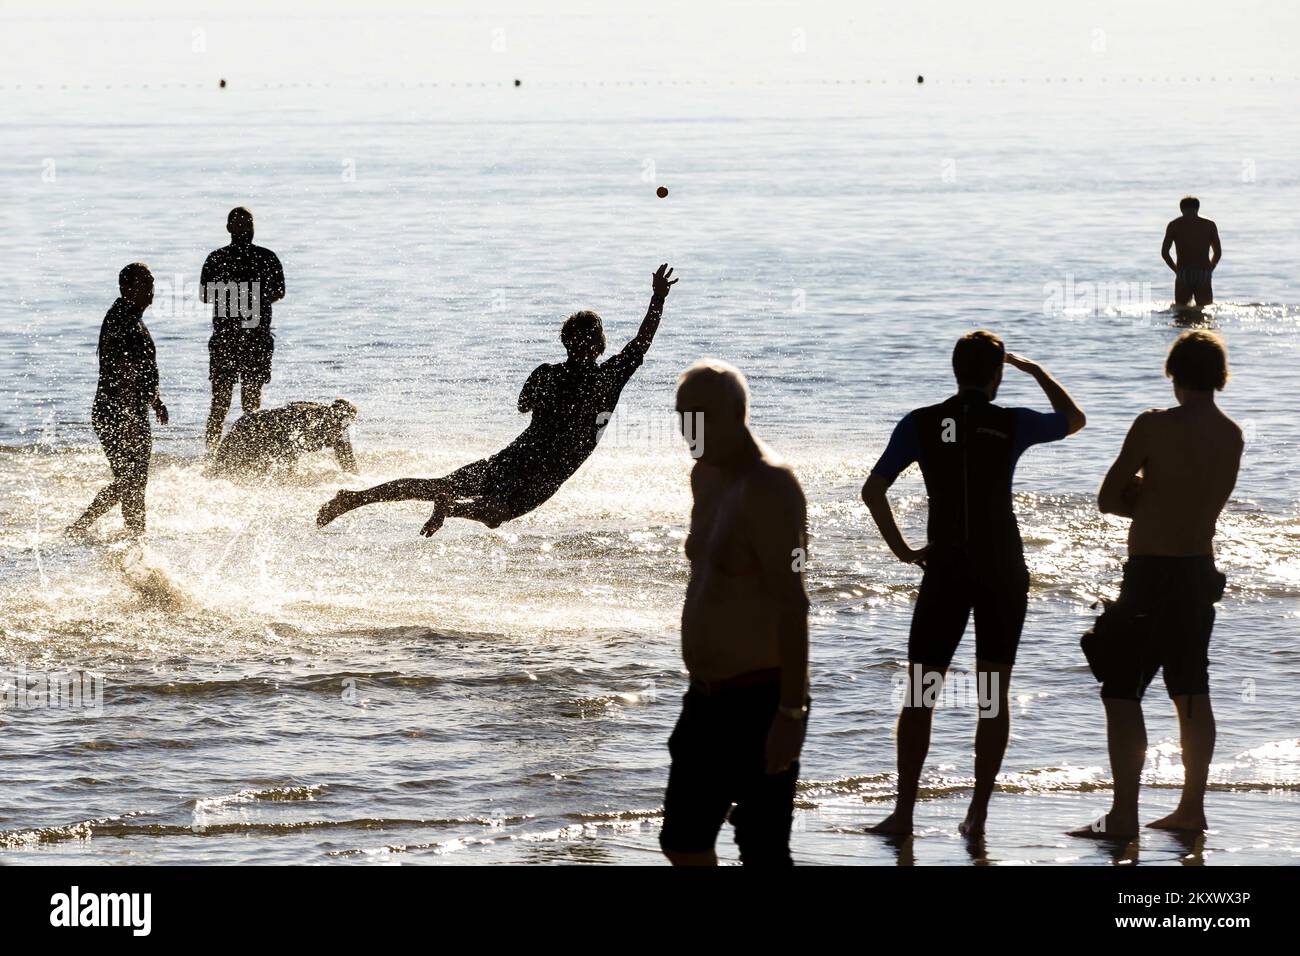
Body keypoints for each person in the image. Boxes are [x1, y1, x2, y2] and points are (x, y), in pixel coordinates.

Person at [861, 331, 1085, 837]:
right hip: (1002, 568)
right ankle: (977, 815)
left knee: (920, 692)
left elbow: (873, 490)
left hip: (945, 569)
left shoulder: (920, 423)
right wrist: (1038, 372)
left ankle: (903, 815)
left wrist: (901, 550)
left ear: (955, 370)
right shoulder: (1010, 423)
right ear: (996, 374)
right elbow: (1075, 420)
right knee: (992, 695)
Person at [316, 264, 677, 535]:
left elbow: (522, 405)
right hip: (548, 474)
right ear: (599, 345)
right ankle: (450, 509)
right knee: (495, 514)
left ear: (565, 341)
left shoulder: (547, 373)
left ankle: (355, 498)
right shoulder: (608, 377)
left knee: (439, 486)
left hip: (514, 457)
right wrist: (658, 298)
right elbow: (642, 340)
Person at [1071, 331, 1242, 840]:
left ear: (1174, 375)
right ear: (1218, 377)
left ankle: (1124, 814)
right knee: (1191, 691)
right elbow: (1203, 502)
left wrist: (1144, 499)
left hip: (1150, 573)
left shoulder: (1152, 425)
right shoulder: (1232, 434)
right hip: (1198, 572)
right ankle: (1192, 808)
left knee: (1122, 691)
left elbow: (1107, 498)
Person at [659, 360, 811, 867]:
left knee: (763, 851)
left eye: (696, 418)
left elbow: (793, 601)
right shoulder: (705, 474)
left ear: (733, 414)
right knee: (682, 841)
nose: (686, 430)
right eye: (682, 417)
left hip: (760, 701)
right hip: (704, 697)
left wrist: (791, 713)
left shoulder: (771, 486)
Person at [67, 263, 169, 538]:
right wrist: (131, 419)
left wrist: (155, 400)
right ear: (126, 288)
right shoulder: (122, 320)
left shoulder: (130, 316)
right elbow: (124, 374)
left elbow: (141, 368)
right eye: (144, 284)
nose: (151, 290)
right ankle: (84, 526)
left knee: (132, 481)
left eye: (152, 284)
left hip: (125, 410)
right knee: (131, 480)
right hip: (118, 412)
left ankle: (133, 534)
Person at [202, 206, 286, 451]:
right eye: (238, 224)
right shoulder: (217, 258)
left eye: (247, 223)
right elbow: (205, 295)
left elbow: (279, 292)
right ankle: (211, 454)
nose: (243, 228)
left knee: (250, 404)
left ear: (253, 227)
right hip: (228, 338)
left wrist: (236, 297)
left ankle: (250, 452)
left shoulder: (267, 257)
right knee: (221, 403)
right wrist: (251, 298)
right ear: (228, 227)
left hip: (255, 338)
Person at [207, 399, 358, 479]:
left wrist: (354, 480)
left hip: (263, 431)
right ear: (331, 411)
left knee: (243, 470)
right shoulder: (311, 415)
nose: (340, 424)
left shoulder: (340, 430)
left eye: (345, 422)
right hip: (251, 425)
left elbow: (349, 465)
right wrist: (290, 476)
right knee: (221, 469)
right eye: (338, 417)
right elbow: (287, 447)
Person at [1161, 196, 1222, 310]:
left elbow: (1164, 253)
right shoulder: (1209, 225)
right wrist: (1210, 269)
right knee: (1205, 311)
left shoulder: (1174, 225)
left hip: (1184, 271)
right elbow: (1217, 252)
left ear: (1181, 209)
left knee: (1181, 312)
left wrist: (1176, 270)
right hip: (1203, 272)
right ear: (1198, 208)